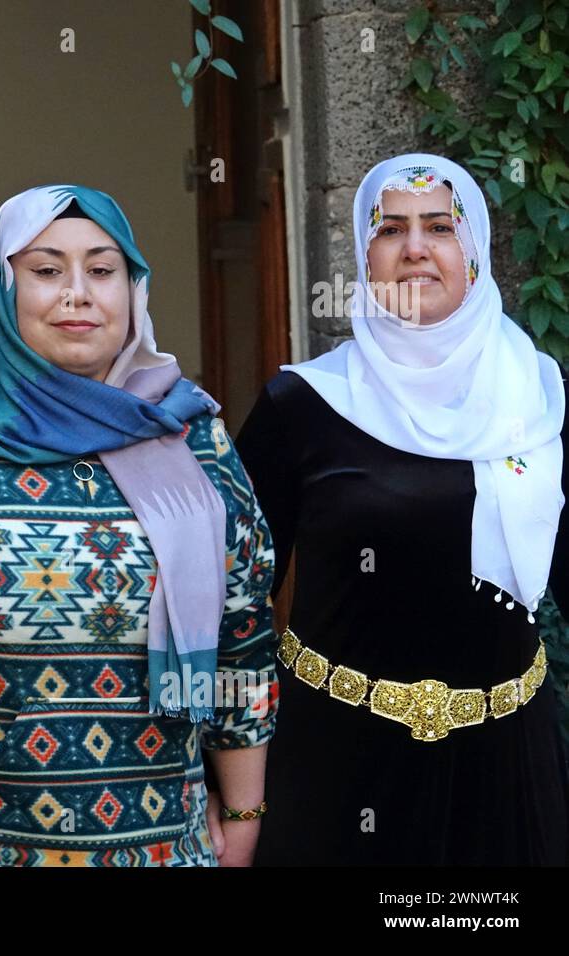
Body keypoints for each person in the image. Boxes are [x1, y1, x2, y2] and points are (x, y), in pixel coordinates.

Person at [0, 184, 278, 866]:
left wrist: (245, 816)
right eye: (45, 271)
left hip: (165, 849)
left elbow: (242, 640)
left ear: (133, 288)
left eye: (103, 270)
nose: (78, 293)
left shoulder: (195, 441)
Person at [236, 153, 569, 865]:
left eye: (440, 227)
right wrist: (232, 786)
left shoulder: (541, 399)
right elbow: (233, 599)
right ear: (365, 255)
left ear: (473, 252)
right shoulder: (303, 404)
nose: (415, 247)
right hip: (340, 765)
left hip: (507, 768)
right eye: (391, 228)